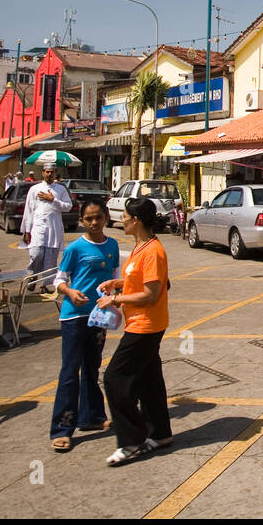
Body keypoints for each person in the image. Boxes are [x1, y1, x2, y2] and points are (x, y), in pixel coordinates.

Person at [97, 197, 172, 465]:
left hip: (146, 325)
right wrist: (119, 283)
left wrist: (116, 300)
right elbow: (142, 280)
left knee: (115, 379)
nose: (122, 219)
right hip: (142, 323)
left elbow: (152, 293)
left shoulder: (153, 251)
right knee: (149, 381)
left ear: (137, 220)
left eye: (126, 216)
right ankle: (161, 433)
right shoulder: (141, 246)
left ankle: (132, 440)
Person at [49, 199, 120, 452]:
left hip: (98, 317)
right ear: (81, 221)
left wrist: (115, 298)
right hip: (74, 317)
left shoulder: (112, 245)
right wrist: (69, 292)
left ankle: (92, 417)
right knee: (70, 373)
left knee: (92, 368)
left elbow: (114, 276)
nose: (93, 223)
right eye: (88, 219)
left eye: (98, 217)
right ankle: (62, 429)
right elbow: (59, 278)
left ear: (106, 217)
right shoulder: (75, 248)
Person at [21, 163, 73, 277]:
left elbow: (68, 207)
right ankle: (32, 276)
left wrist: (53, 200)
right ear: (43, 173)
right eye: (47, 172)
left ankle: (45, 285)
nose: (49, 174)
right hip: (38, 227)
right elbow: (29, 211)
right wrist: (26, 230)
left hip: (54, 228)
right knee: (36, 254)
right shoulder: (34, 189)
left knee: (50, 259)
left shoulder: (61, 189)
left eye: (52, 172)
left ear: (55, 174)